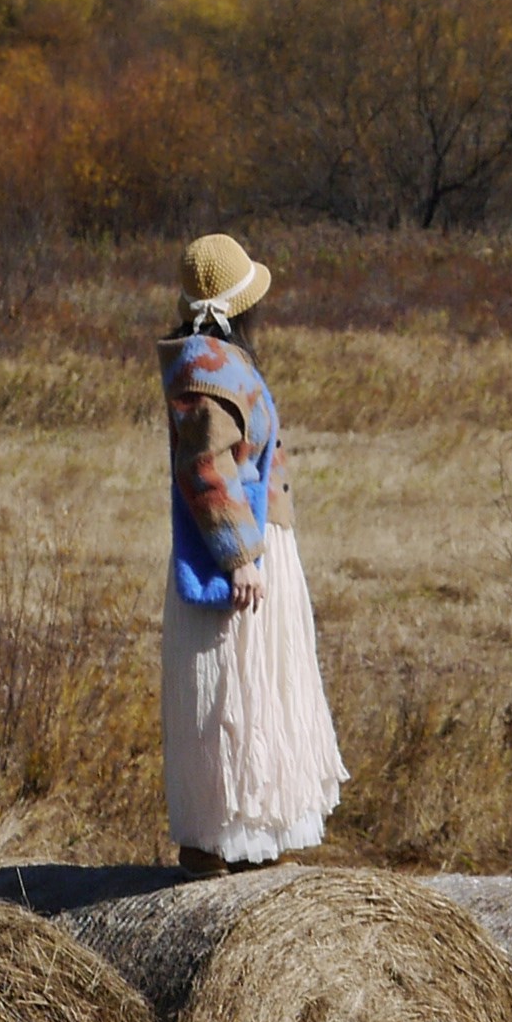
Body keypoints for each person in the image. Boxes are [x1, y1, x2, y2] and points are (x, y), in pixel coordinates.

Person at [160, 233, 347, 874]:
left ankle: (252, 843)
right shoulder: (207, 369)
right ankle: (218, 842)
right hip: (235, 560)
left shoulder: (215, 361)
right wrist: (239, 556)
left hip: (259, 550)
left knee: (258, 690)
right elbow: (205, 468)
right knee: (232, 694)